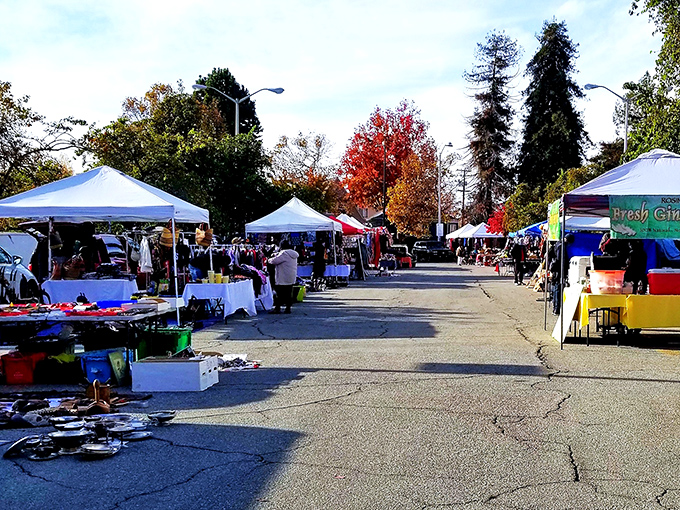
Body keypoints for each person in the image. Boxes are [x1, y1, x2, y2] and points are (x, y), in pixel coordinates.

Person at [268, 240, 299, 314]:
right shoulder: (293, 253)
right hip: (291, 275)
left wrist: (269, 259)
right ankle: (288, 308)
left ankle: (277, 308)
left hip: (283, 276)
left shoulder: (284, 253)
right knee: (288, 292)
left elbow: (274, 261)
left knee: (280, 293)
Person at [549, 233, 574, 315]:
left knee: (556, 288)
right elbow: (560, 259)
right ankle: (557, 308)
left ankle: (556, 307)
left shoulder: (558, 244)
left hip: (557, 270)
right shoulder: (561, 246)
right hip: (559, 270)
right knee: (558, 288)